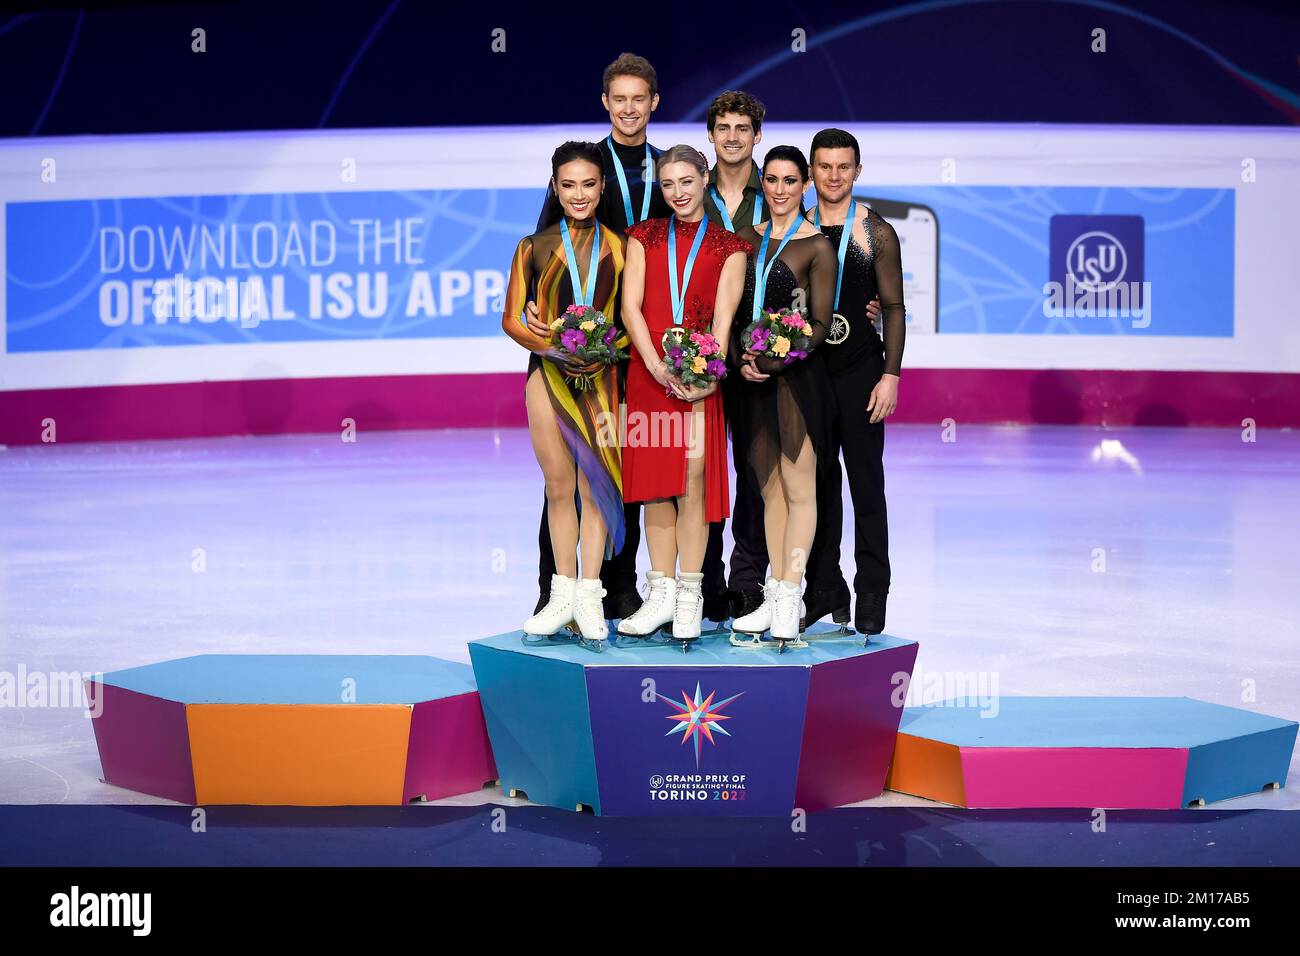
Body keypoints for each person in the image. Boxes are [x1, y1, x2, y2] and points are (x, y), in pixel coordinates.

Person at [521, 53, 729, 623]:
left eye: (641, 98)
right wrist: (547, 325)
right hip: (588, 349)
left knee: (639, 469)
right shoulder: (586, 166)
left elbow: (699, 243)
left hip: (641, 351)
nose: (630, 108)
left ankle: (642, 590)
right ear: (606, 103)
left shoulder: (669, 170)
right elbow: (550, 243)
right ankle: (558, 589)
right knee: (574, 472)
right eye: (620, 99)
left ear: (654, 103)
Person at [616, 146, 749, 640]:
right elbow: (631, 308)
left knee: (692, 481)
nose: (678, 193)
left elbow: (722, 321)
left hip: (697, 379)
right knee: (654, 487)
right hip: (648, 374)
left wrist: (707, 373)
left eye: (687, 182)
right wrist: (653, 365)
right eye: (669, 184)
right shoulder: (642, 236)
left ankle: (690, 594)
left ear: (704, 179)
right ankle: (661, 593)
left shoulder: (729, 247)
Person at [501, 141, 627, 644]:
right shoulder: (531, 247)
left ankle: (591, 596)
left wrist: (605, 347)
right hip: (546, 375)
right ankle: (561, 595)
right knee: (558, 487)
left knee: (595, 486)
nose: (579, 194)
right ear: (555, 187)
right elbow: (510, 318)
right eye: (569, 185)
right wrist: (551, 347)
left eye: (589, 185)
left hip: (605, 375)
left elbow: (628, 316)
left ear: (602, 188)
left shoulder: (621, 247)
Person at [729, 146, 837, 641]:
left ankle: (792, 596)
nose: (779, 190)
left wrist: (777, 359)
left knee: (799, 489)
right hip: (750, 380)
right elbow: (728, 314)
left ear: (805, 185)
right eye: (771, 180)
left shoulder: (816, 246)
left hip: (796, 381)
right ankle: (775, 592)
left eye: (790, 181)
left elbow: (819, 325)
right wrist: (739, 359)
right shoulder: (744, 240)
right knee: (768, 488)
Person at [801, 129, 905, 636]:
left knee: (866, 483)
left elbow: (893, 308)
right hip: (809, 372)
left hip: (862, 371)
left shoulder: (876, 232)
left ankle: (872, 590)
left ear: (857, 171)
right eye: (825, 166)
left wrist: (890, 374)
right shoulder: (795, 226)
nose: (834, 175)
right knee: (816, 483)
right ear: (811, 171)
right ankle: (824, 586)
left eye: (844, 167)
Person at [699, 91, 770, 622]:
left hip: (753, 352)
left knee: (752, 467)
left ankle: (747, 580)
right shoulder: (688, 188)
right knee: (698, 469)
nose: (732, 136)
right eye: (723, 127)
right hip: (695, 352)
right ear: (711, 134)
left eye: (742, 128)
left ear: (756, 135)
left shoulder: (775, 189)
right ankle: (701, 580)